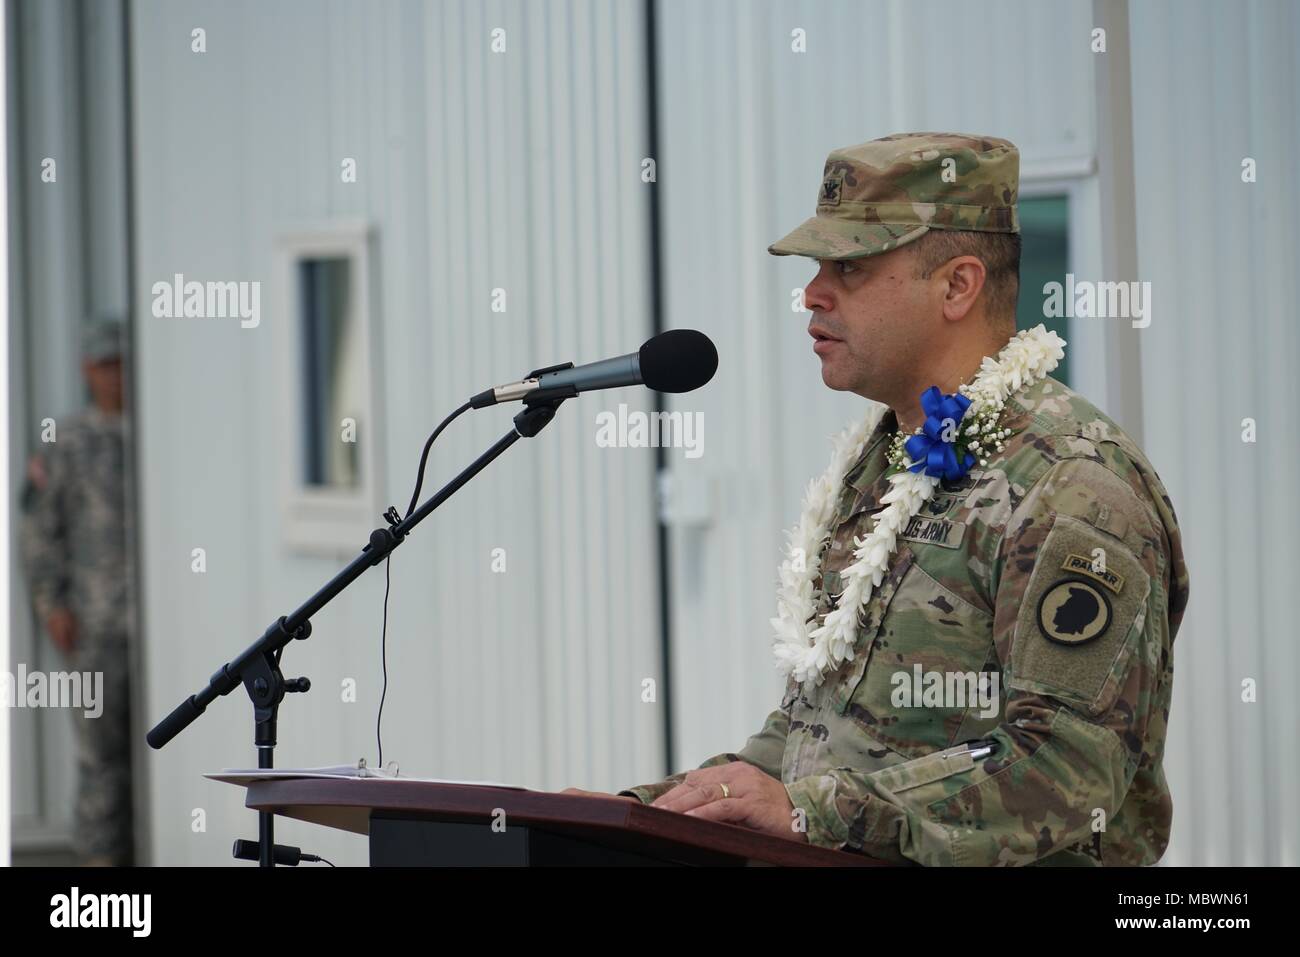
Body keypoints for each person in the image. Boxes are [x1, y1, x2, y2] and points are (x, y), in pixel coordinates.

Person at [571, 133, 1189, 866]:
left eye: (852, 267)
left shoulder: (1071, 484)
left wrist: (809, 814)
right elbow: (821, 734)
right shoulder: (882, 462)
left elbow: (1064, 767)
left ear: (957, 286)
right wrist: (641, 812)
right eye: (818, 266)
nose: (812, 293)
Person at [20, 315, 134, 866]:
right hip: (95, 627)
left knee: (158, 746)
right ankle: (100, 868)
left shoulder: (157, 436)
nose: (118, 376)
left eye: (125, 364)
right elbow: (40, 528)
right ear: (89, 369)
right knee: (100, 756)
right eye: (108, 365)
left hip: (153, 628)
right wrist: (52, 603)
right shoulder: (67, 442)